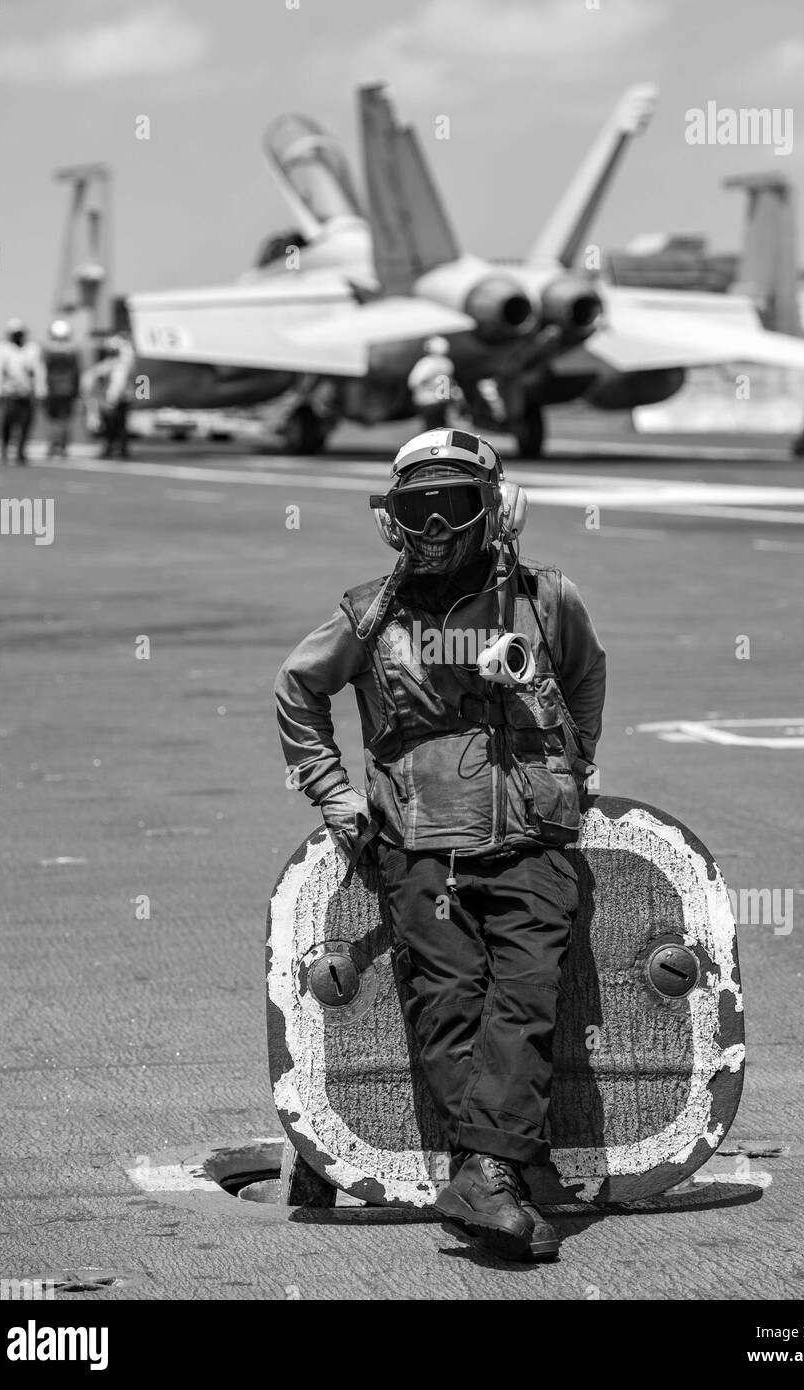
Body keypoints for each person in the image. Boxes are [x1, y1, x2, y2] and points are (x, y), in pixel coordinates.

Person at [275, 428, 607, 1261]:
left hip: (531, 836)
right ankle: (491, 1177)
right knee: (449, 1000)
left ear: (494, 509)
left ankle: (484, 1172)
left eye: (450, 505)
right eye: (415, 507)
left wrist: (572, 765)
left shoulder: (547, 599)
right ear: (392, 519)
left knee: (528, 994)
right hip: (418, 843)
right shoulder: (368, 613)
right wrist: (335, 797)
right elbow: (297, 687)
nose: (431, 525)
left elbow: (584, 676)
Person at [0, 318, 47, 464]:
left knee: (26, 423)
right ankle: (5, 449)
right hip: (9, 394)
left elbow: (39, 372)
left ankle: (21, 451)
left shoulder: (32, 348)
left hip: (26, 394)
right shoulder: (3, 349)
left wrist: (41, 391)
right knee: (8, 423)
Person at [82, 335, 135, 458]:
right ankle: (116, 447)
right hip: (118, 397)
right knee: (117, 424)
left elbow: (118, 382)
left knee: (116, 424)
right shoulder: (114, 363)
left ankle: (116, 448)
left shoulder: (122, 363)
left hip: (119, 398)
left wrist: (111, 398)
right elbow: (92, 374)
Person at [42, 319, 81, 458]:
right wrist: (76, 390)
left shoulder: (48, 349)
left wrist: (42, 388)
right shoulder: (72, 350)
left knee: (52, 419)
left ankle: (53, 445)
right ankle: (63, 446)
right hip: (67, 389)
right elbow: (76, 372)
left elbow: (43, 371)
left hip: (52, 389)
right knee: (65, 419)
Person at [407, 336, 457, 431]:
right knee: (441, 428)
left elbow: (413, 382)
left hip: (427, 400)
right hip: (442, 400)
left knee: (429, 430)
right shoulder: (447, 363)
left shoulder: (426, 363)